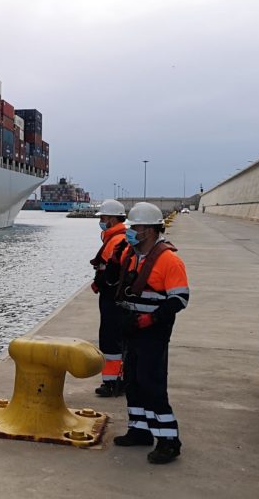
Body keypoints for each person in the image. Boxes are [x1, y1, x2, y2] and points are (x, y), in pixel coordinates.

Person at [112, 202, 190, 464]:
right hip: (132, 329)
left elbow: (179, 299)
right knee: (133, 381)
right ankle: (139, 430)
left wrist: (151, 319)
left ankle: (169, 441)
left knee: (151, 383)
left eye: (136, 228)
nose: (131, 232)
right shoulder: (132, 255)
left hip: (153, 331)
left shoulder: (169, 260)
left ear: (151, 230)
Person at [89, 199, 128, 397]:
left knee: (111, 340)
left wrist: (101, 282)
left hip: (112, 298)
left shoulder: (116, 240)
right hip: (114, 296)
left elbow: (113, 272)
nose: (101, 222)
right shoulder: (117, 238)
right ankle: (120, 380)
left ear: (112, 219)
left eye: (103, 218)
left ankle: (112, 383)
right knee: (117, 339)